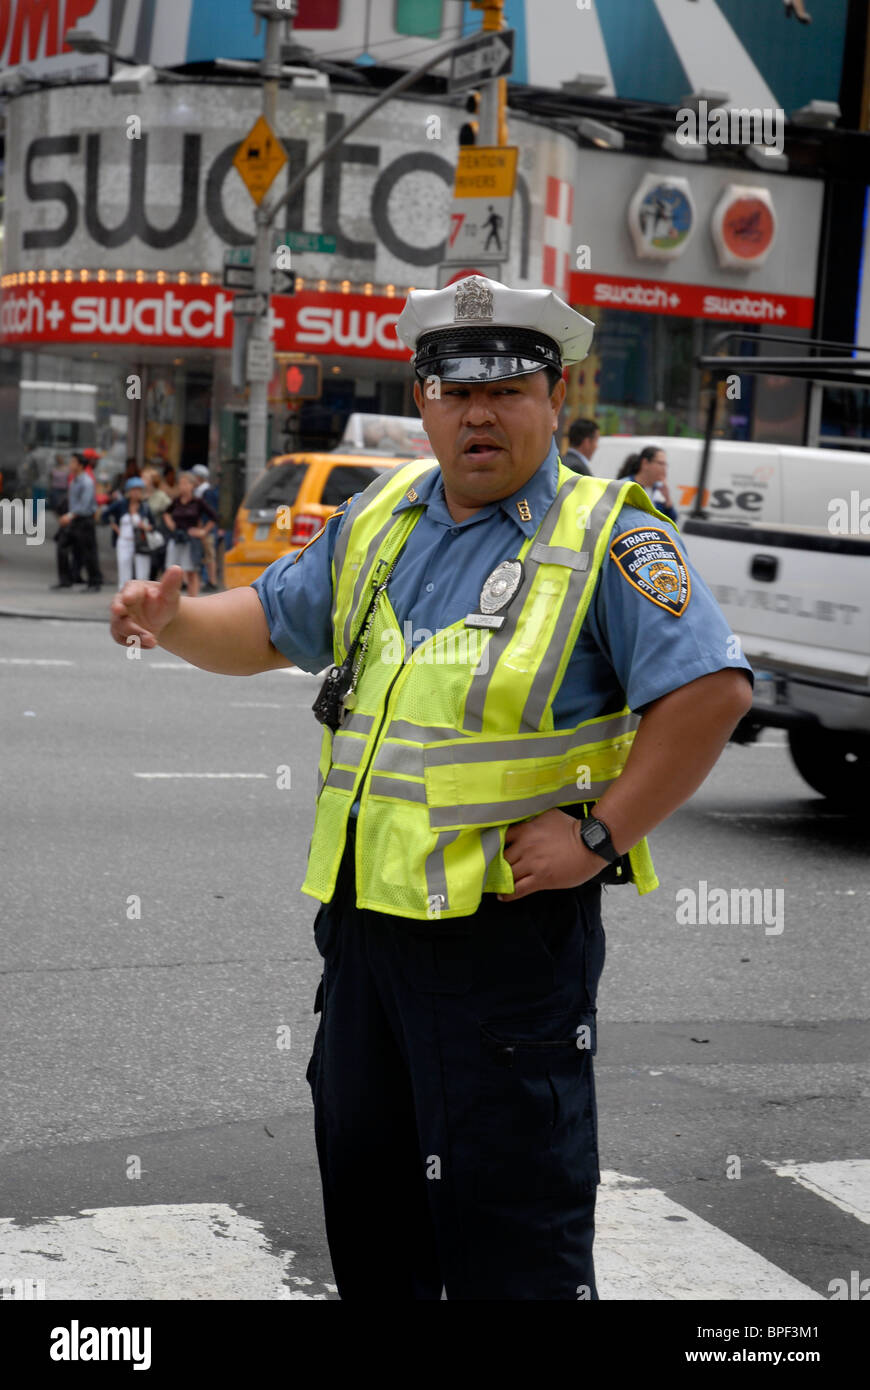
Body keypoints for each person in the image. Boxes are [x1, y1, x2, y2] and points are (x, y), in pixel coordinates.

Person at [109, 274, 754, 1301]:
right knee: (374, 1228)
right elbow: (275, 625)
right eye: (455, 391)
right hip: (368, 940)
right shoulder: (385, 518)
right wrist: (174, 620)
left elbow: (712, 688)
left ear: (554, 394)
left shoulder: (606, 531)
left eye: (507, 388)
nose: (479, 413)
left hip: (507, 948)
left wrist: (600, 834)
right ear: (424, 401)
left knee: (515, 1247)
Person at [51, 452, 103, 592]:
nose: (70, 464)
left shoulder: (87, 482)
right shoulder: (74, 480)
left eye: (73, 462)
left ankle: (94, 582)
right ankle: (65, 580)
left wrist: (68, 516)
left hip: (84, 520)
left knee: (88, 552)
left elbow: (85, 504)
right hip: (73, 519)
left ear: (80, 465)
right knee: (62, 546)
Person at [161, 470, 216, 598]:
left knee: (191, 571)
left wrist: (203, 531)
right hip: (177, 537)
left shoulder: (197, 502)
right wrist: (170, 523)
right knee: (172, 570)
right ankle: (170, 598)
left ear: (192, 485)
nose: (183, 487)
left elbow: (214, 517)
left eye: (186, 484)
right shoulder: (176, 501)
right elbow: (166, 513)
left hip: (191, 539)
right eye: (180, 484)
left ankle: (193, 599)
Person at [103, 477, 157, 589]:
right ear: (129, 491)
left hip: (140, 542)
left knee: (142, 573)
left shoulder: (145, 507)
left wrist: (146, 527)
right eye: (133, 489)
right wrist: (114, 526)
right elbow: (105, 514)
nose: (136, 493)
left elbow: (154, 525)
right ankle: (124, 598)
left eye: (139, 490)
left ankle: (142, 598)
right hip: (124, 541)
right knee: (124, 571)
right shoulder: (121, 504)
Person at [617, 445, 678, 523]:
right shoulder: (625, 485)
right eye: (660, 463)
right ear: (645, 463)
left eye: (665, 464)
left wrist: (667, 499)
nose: (664, 468)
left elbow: (672, 521)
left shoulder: (660, 489)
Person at [190, 464, 220, 592]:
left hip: (206, 529)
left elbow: (212, 514)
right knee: (205, 555)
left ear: (199, 477)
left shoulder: (207, 492)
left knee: (209, 555)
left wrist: (205, 530)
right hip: (201, 529)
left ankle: (212, 581)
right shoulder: (200, 492)